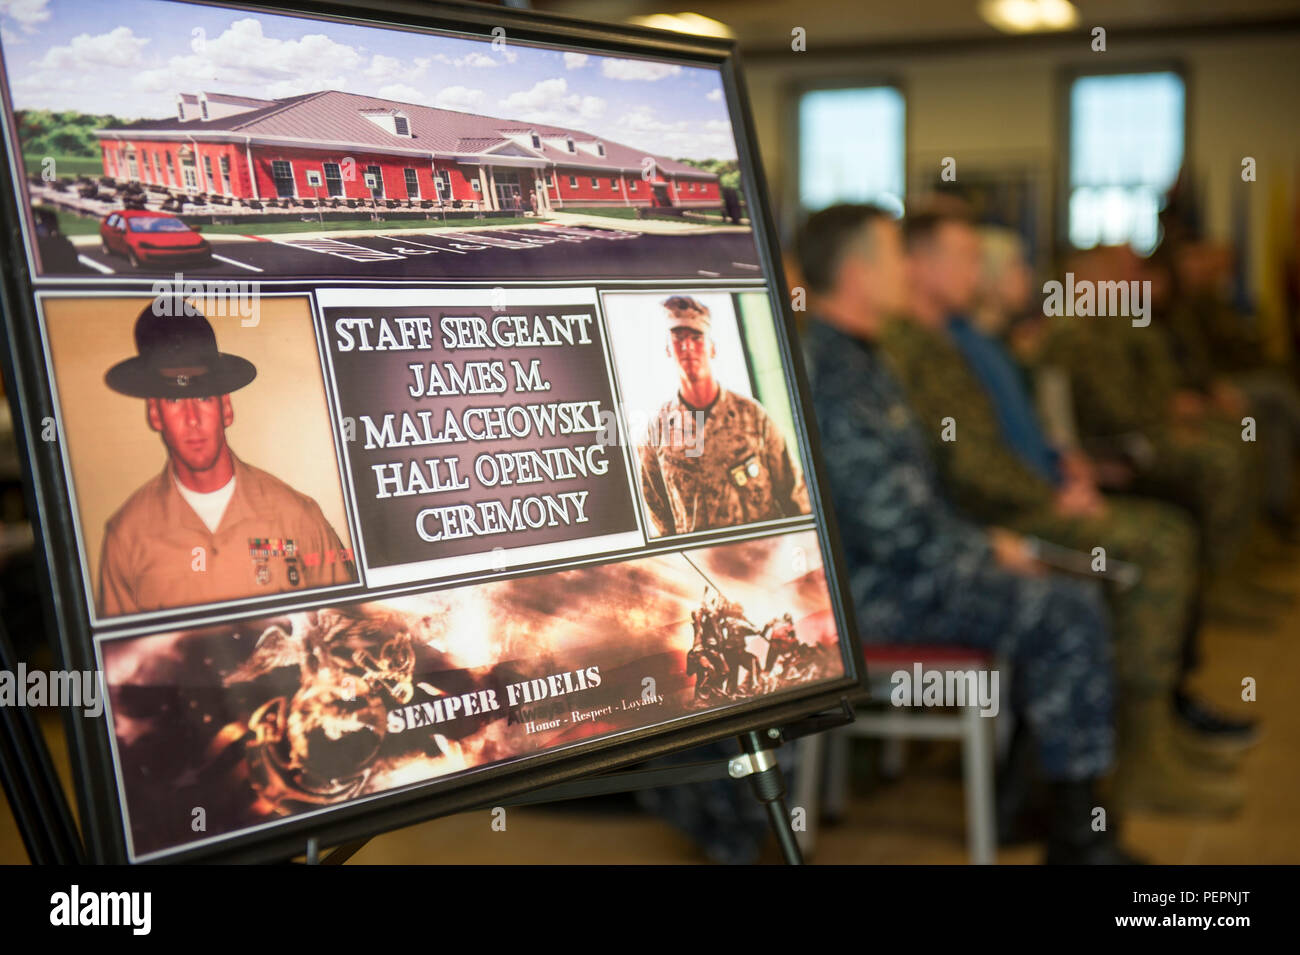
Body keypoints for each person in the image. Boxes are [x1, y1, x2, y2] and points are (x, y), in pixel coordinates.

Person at [878, 204, 1250, 814]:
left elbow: (1004, 440)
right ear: (920, 266)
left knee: (1167, 527)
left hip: (1006, 504)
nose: (980, 270)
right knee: (1157, 542)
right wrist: (1049, 495)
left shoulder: (951, 339)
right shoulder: (913, 347)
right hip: (977, 524)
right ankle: (1136, 756)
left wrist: (1058, 470)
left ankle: (1151, 736)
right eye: (966, 257)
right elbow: (965, 467)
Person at [796, 203, 1137, 863]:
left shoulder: (867, 359)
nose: (907, 269)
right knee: (1064, 608)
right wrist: (986, 549)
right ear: (859, 271)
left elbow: (920, 502)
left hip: (910, 567)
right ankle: (1075, 835)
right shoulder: (832, 373)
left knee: (1070, 583)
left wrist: (990, 544)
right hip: (867, 594)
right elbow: (890, 526)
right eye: (896, 254)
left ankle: (1042, 802)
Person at [98, 297, 357, 616]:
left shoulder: (298, 517)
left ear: (226, 407)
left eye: (203, 397)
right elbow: (117, 660)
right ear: (155, 413)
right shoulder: (127, 538)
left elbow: (348, 629)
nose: (192, 419)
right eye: (174, 400)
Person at [637, 294, 809, 537]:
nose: (687, 346)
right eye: (678, 337)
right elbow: (662, 522)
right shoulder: (656, 434)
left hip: (766, 565)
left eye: (696, 337)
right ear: (667, 349)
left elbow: (796, 499)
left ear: (713, 348)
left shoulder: (753, 417)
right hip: (709, 572)